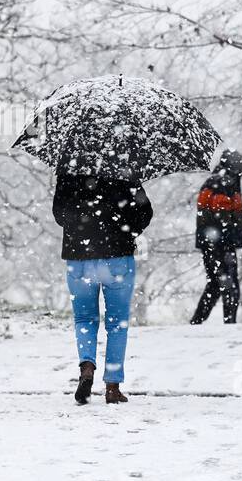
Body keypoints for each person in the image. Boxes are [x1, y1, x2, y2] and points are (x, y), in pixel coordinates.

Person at [53, 172, 153, 405]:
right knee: (117, 323)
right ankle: (112, 386)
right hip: (117, 257)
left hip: (79, 258)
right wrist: (126, 231)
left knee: (84, 319)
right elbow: (145, 213)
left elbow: (60, 215)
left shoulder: (68, 170)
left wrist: (82, 227)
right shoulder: (124, 169)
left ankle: (87, 367)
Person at [191, 149, 242, 325]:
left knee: (216, 285)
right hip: (218, 243)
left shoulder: (226, 182)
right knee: (227, 284)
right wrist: (228, 239)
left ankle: (197, 323)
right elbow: (220, 217)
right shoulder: (221, 184)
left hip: (216, 242)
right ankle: (228, 324)